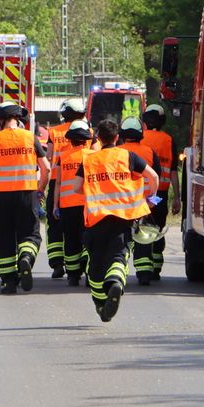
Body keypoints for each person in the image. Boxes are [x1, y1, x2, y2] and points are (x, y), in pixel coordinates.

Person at [80, 119, 158, 322]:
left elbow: (75, 188)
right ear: (117, 137)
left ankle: (100, 303)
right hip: (123, 219)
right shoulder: (128, 156)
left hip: (96, 220)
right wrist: (151, 198)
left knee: (96, 266)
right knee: (119, 256)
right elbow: (153, 176)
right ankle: (115, 281)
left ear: (98, 137)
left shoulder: (89, 160)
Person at [0, 101, 50, 294]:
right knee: (30, 233)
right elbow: (46, 168)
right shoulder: (30, 137)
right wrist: (40, 190)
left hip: (2, 196)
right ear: (17, 118)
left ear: (1, 120)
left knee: (4, 237)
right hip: (27, 193)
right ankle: (26, 257)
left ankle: (9, 282)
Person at [44, 98, 86, 279]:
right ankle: (83, 259)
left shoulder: (53, 132)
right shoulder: (88, 131)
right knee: (83, 225)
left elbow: (48, 156)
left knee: (55, 225)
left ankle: (57, 263)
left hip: (58, 182)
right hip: (84, 184)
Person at [117, 117, 162, 286]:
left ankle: (118, 269)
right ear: (140, 134)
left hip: (120, 204)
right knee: (143, 238)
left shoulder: (117, 151)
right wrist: (152, 198)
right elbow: (156, 176)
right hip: (142, 204)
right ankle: (144, 273)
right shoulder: (149, 152)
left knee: (121, 239)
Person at [141, 104, 180, 279]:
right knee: (157, 227)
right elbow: (173, 172)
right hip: (159, 196)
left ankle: (144, 265)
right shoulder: (169, 140)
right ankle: (156, 265)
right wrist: (177, 197)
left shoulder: (139, 138)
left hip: (140, 194)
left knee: (142, 227)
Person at [53, 119, 94, 286]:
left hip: (67, 205)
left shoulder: (63, 157)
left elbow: (58, 183)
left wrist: (55, 205)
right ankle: (86, 262)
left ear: (70, 139)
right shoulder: (92, 156)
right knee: (88, 237)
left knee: (70, 240)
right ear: (86, 139)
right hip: (88, 205)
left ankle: (72, 275)